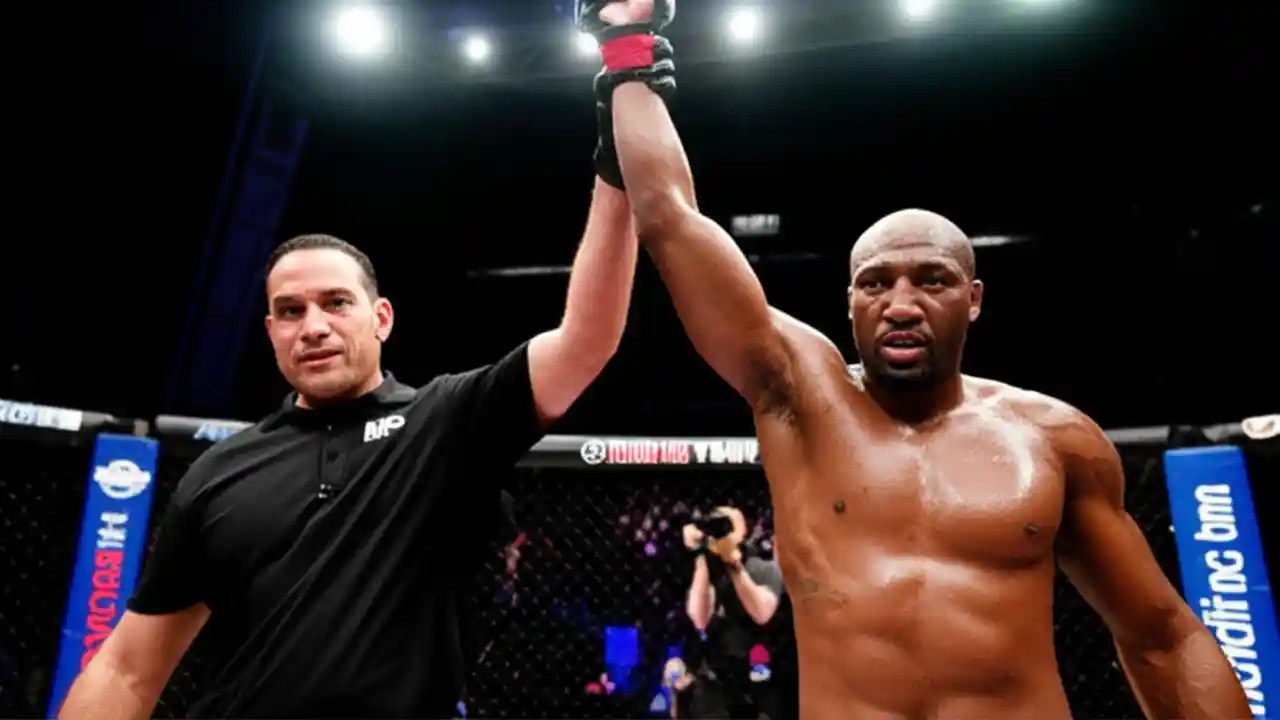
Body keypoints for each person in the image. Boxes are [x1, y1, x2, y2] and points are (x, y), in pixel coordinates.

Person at [575, 2, 1253, 718]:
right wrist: (625, 43)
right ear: (849, 303)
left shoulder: (1055, 441)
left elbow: (1163, 638)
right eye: (876, 283)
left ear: (974, 299)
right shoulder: (797, 397)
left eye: (931, 280)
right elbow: (670, 218)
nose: (900, 303)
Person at [56, 171, 640, 719]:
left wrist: (615, 172)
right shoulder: (219, 471)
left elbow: (587, 339)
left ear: (380, 318)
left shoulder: (446, 421)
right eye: (290, 311)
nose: (312, 326)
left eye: (336, 302)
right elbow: (129, 668)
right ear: (271, 333)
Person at [679, 506, 795, 720]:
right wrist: (701, 557)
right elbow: (699, 618)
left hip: (760, 674)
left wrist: (734, 565)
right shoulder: (707, 572)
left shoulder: (762, 568)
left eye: (725, 525)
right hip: (718, 677)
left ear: (743, 531)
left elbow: (762, 613)